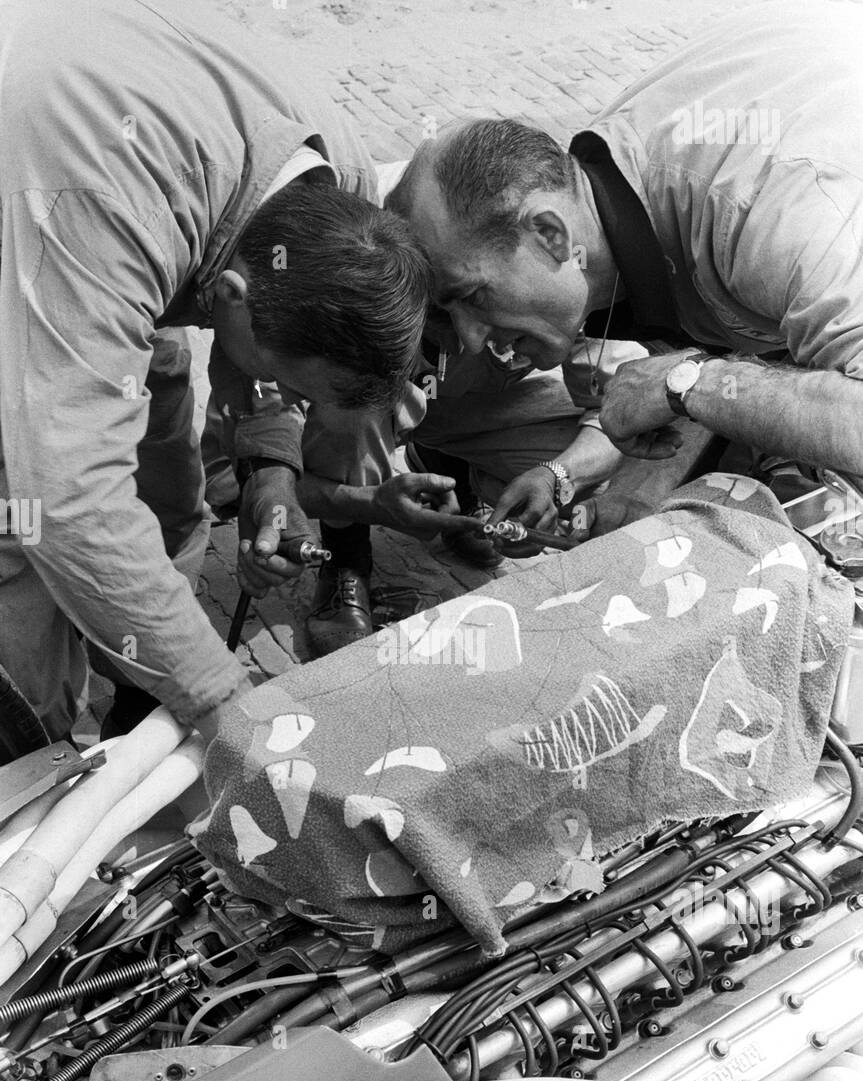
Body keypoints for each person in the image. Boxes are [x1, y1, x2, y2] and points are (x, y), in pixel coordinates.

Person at [0, 0, 430, 743]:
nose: (293, 401)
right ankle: (35, 759)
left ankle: (140, 698)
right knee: (29, 544)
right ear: (226, 297)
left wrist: (270, 471)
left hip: (126, 238)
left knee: (168, 506)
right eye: (297, 391)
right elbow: (71, 505)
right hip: (55, 216)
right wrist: (228, 708)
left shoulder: (338, 189)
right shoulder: (103, 209)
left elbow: (266, 331)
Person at [385, 3, 863, 499]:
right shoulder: (607, 187)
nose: (470, 337)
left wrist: (687, 383)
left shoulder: (776, 218)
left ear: (550, 234)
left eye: (474, 295)